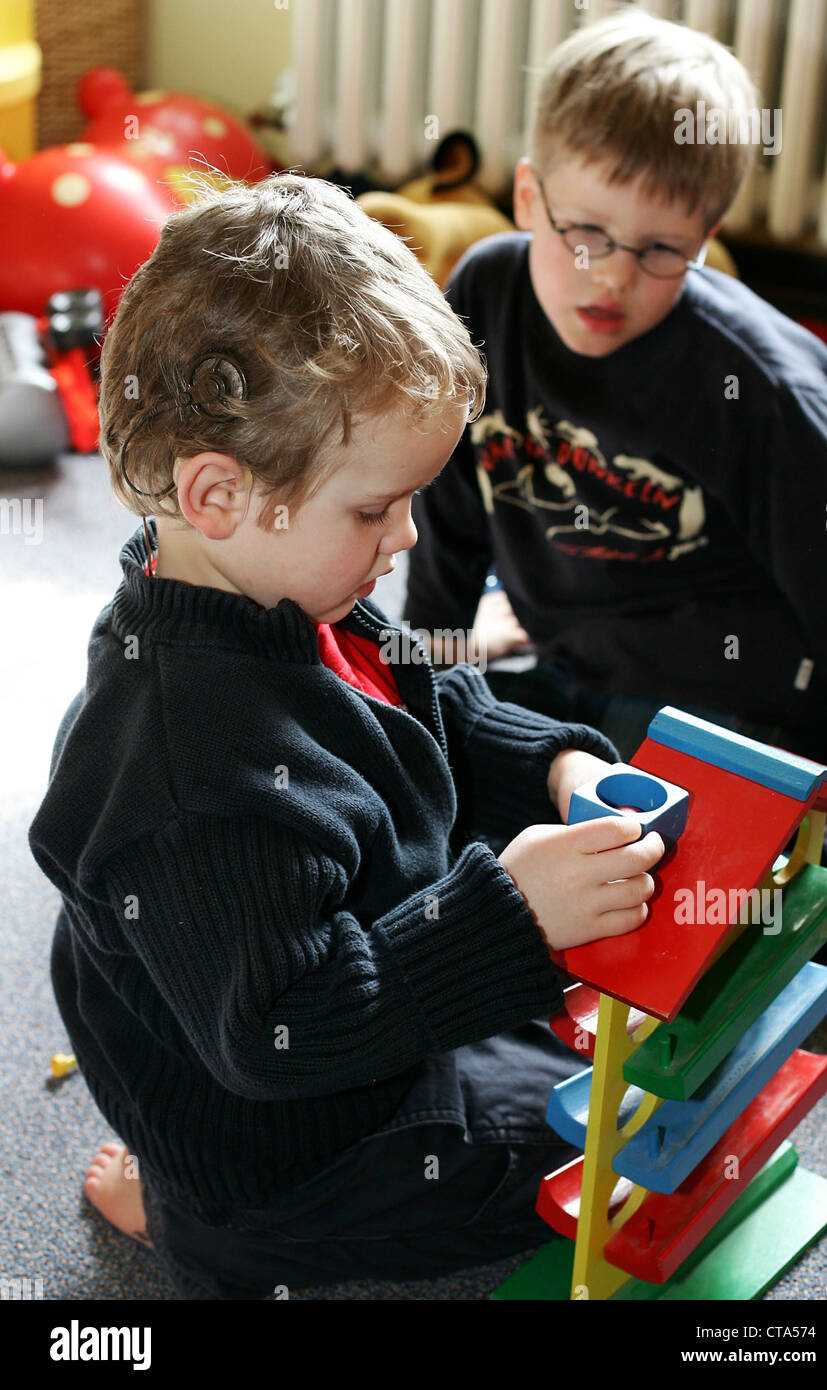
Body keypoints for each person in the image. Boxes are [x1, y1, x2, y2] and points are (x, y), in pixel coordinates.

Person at [28, 172, 665, 1299]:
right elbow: (283, 1029)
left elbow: (431, 703)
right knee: (597, 1153)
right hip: (293, 1144)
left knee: (577, 1043)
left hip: (348, 998)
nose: (405, 537)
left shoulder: (281, 591)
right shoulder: (189, 771)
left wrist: (552, 761)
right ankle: (209, 1227)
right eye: (372, 510)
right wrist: (508, 913)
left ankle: (187, 1188)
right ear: (217, 493)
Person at [403, 9, 827, 962]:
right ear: (529, 195)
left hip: (735, 708)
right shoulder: (484, 293)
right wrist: (425, 687)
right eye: (585, 232)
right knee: (413, 825)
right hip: (574, 672)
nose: (610, 277)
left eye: (661, 251)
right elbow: (445, 524)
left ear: (710, 232)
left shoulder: (762, 385)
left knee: (769, 925)